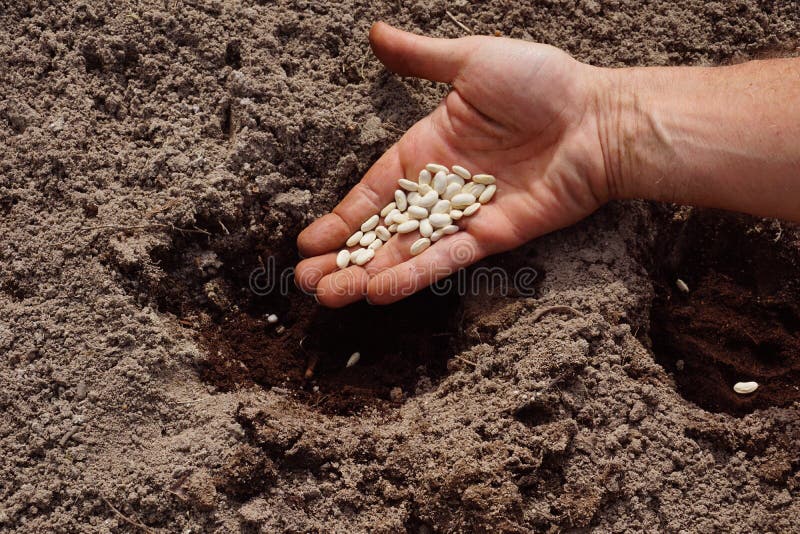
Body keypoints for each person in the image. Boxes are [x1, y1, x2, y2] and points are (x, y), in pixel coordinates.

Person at [295, 22, 800, 308]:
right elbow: (425, 210)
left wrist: (601, 119)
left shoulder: (449, 194)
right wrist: (602, 119)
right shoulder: (441, 196)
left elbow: (430, 210)